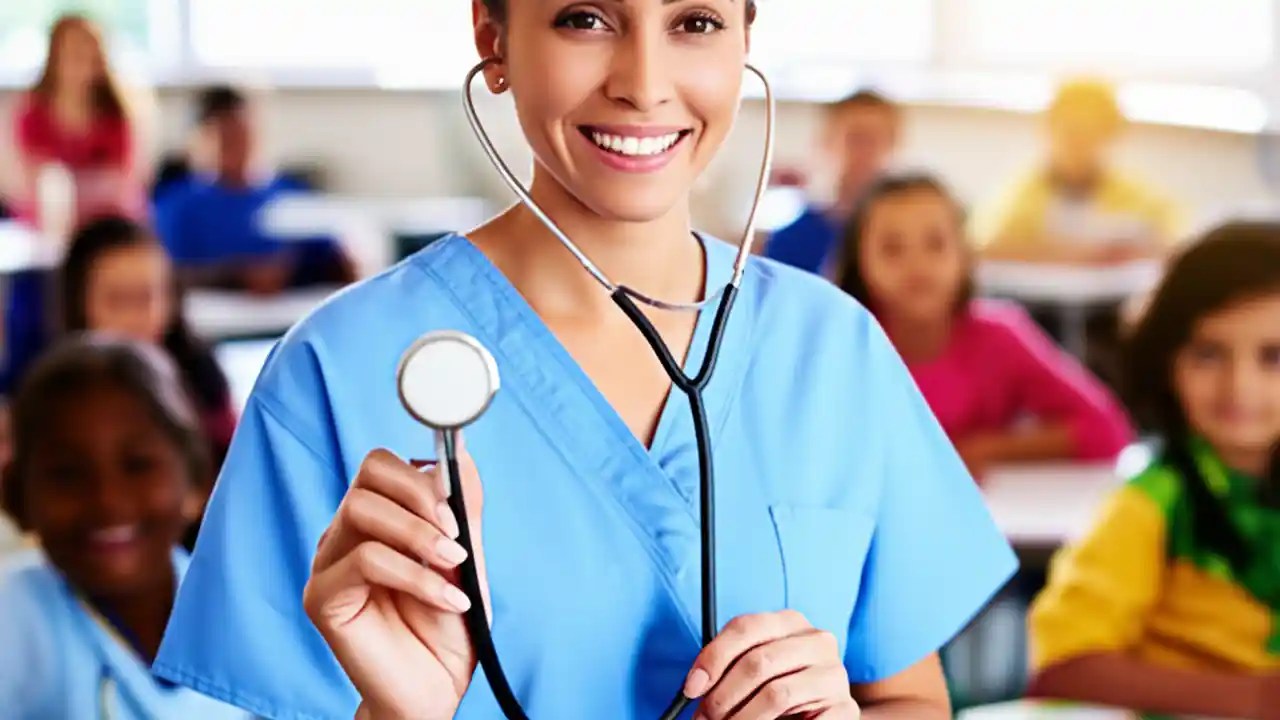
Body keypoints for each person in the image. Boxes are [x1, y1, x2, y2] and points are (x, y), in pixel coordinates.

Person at [154, 3, 1016, 719]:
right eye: (585, 18)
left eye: (697, 22)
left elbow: (908, 697)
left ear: (747, 39)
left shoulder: (835, 352)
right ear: (492, 38)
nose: (642, 84)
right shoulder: (334, 375)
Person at [1027, 222, 1280, 719]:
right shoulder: (1150, 502)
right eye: (1209, 353)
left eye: (1273, 357)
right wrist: (1255, 698)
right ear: (1167, 361)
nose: (1240, 387)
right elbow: (1063, 666)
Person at [0, 337, 250, 719]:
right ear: (19, 497)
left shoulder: (242, 614)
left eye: (138, 465)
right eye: (67, 474)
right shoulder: (15, 615)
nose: (107, 501)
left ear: (198, 483)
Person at [836, 173, 1134, 479]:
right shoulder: (842, 346)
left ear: (965, 255)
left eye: (936, 244)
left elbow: (1108, 430)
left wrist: (988, 449)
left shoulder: (1000, 336)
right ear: (859, 261)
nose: (917, 264)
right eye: (892, 248)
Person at [60, 216, 237, 480]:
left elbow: (236, 468)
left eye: (148, 297)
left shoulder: (200, 374)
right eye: (118, 300)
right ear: (80, 304)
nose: (136, 317)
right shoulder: (57, 390)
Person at [154, 85, 357, 295]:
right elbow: (165, 277)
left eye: (243, 134)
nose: (239, 147)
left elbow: (331, 258)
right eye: (226, 138)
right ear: (198, 141)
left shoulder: (292, 196)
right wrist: (238, 276)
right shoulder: (177, 206)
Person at [973, 78, 1181, 265]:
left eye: (1092, 132)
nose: (1080, 145)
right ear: (1050, 129)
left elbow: (1175, 247)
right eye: (1072, 132)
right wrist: (1073, 254)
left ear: (1112, 134)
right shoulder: (1020, 197)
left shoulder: (1142, 198)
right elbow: (984, 248)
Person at [5, 13, 148, 231]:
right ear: (54, 58)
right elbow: (29, 183)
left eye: (88, 54)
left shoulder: (118, 114)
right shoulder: (31, 114)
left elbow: (124, 182)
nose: (81, 64)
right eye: (73, 54)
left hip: (107, 224)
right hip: (45, 224)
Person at [764, 90, 900, 276]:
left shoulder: (911, 243)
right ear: (827, 142)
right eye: (855, 138)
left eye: (876, 140)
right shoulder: (791, 241)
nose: (866, 152)